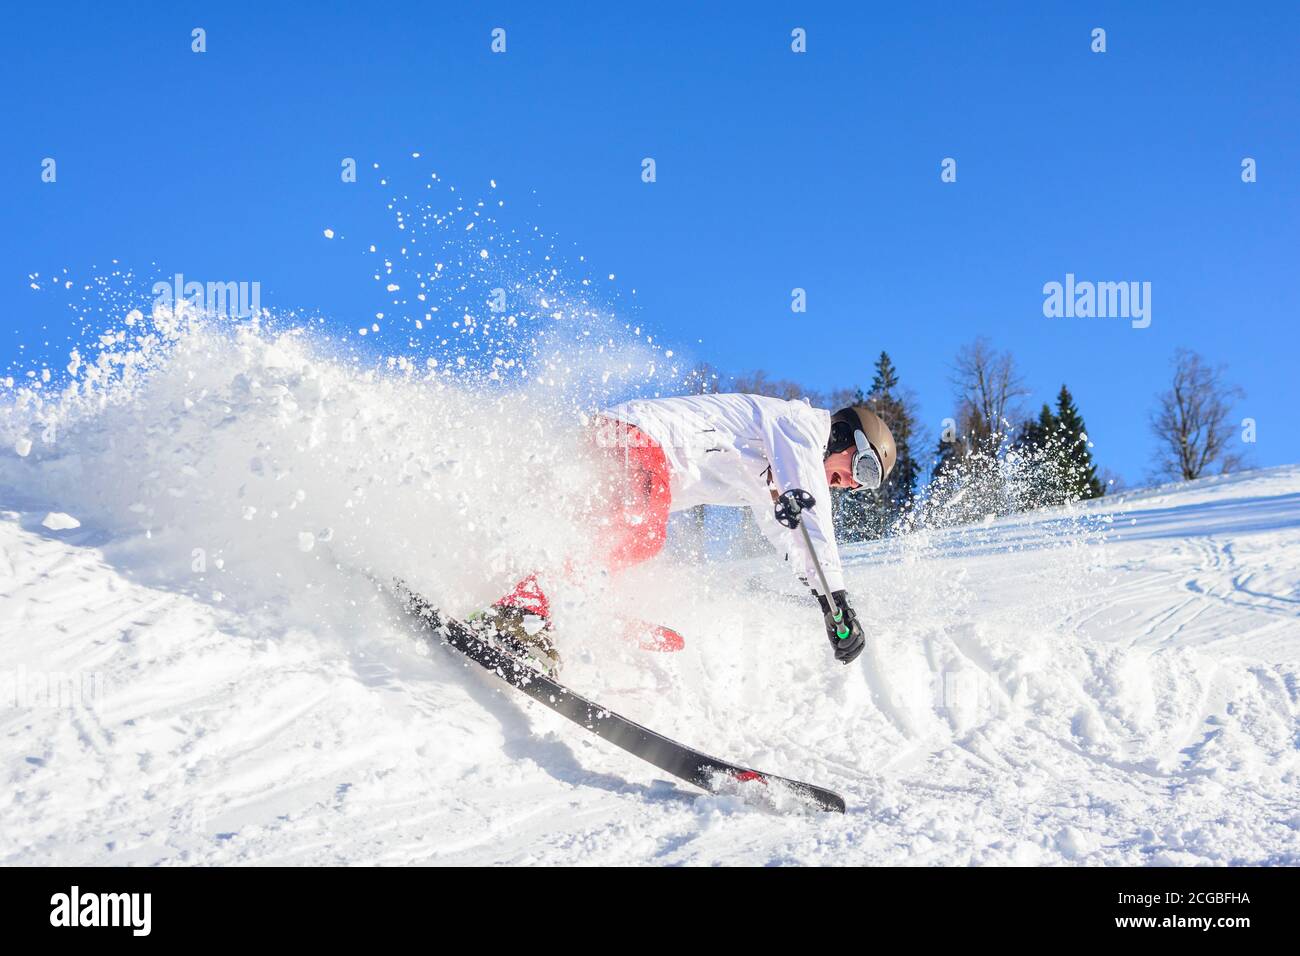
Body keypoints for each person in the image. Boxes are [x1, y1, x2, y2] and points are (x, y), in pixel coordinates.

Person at [476, 393, 897, 670]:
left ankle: (539, 601)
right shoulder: (801, 426)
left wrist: (824, 600)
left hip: (623, 442)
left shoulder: (772, 474)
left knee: (603, 539)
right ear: (845, 435)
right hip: (636, 440)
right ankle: (521, 612)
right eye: (862, 468)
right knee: (641, 534)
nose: (855, 485)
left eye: (867, 484)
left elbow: (789, 536)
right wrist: (837, 598)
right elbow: (810, 509)